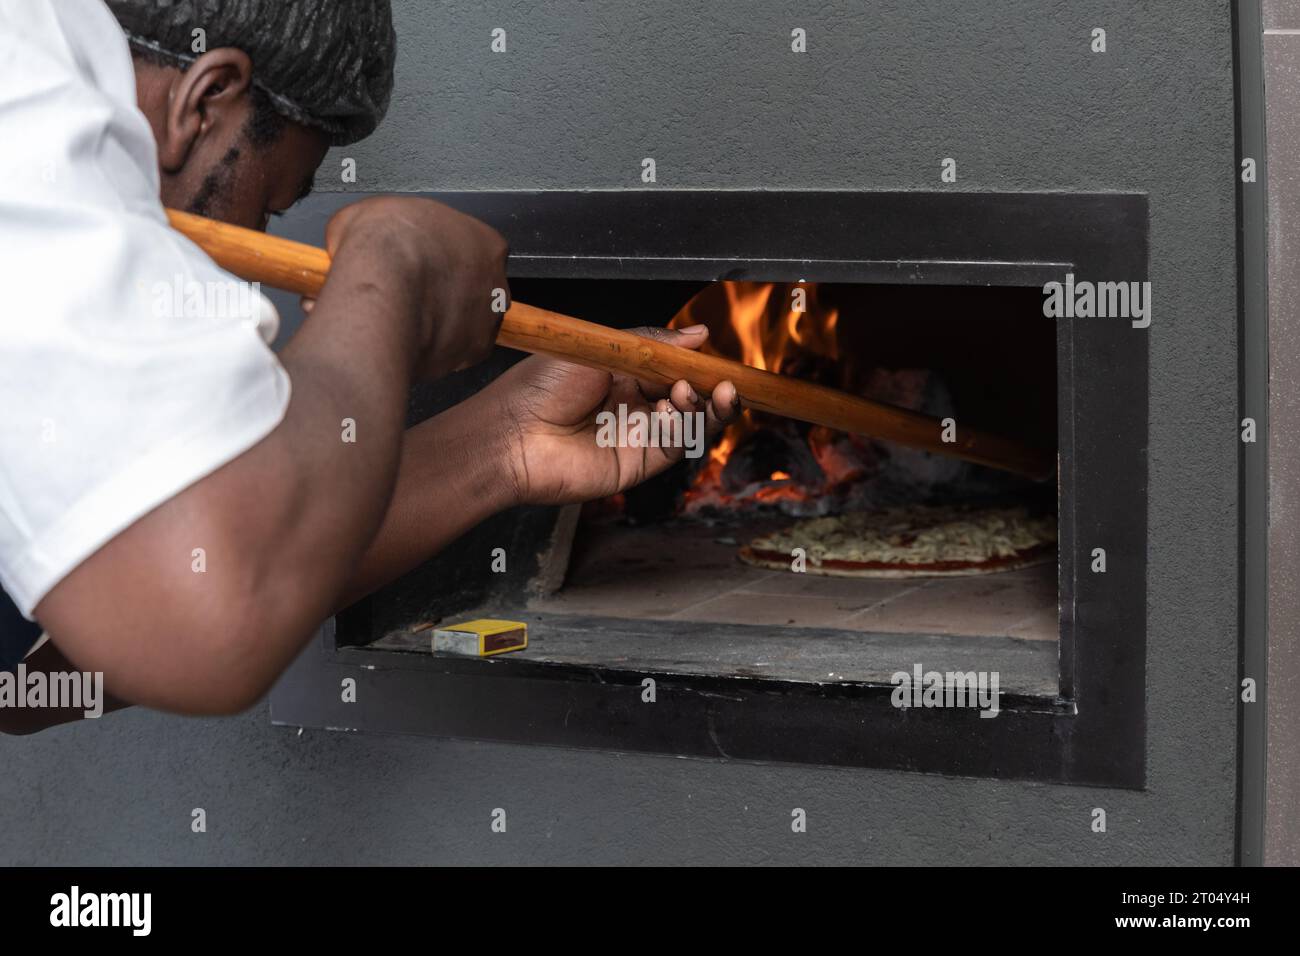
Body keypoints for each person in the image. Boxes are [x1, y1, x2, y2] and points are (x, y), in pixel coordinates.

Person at [0, 0, 737, 733]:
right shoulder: (29, 135)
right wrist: (390, 264)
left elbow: (60, 663)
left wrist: (502, 446)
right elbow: (206, 630)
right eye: (266, 210)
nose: (255, 246)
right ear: (207, 98)